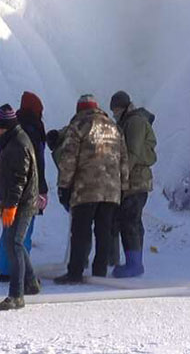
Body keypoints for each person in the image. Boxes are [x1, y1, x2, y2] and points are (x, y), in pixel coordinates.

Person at [53, 93, 129, 284]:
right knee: (104, 232)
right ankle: (99, 273)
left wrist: (64, 186)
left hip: (85, 189)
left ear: (80, 109)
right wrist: (123, 188)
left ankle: (75, 272)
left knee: (81, 232)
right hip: (111, 192)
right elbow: (124, 160)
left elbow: (68, 160)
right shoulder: (114, 128)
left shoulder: (79, 126)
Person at [0, 104, 41, 310]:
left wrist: (10, 205)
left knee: (15, 244)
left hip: (23, 203)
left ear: (6, 127)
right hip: (17, 201)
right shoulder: (10, 141)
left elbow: (19, 179)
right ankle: (31, 282)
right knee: (14, 243)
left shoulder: (18, 144)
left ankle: (16, 295)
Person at [0, 92, 47, 282]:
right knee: (23, 233)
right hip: (27, 191)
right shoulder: (32, 131)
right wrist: (41, 189)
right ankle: (20, 272)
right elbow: (36, 164)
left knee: (9, 230)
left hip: (9, 189)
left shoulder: (13, 129)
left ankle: (4, 267)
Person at [109, 90, 157, 278]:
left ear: (124, 107)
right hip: (135, 180)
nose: (115, 113)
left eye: (116, 109)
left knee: (130, 220)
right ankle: (134, 261)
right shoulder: (129, 120)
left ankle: (134, 264)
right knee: (131, 220)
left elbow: (133, 153)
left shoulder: (134, 122)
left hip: (135, 181)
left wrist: (120, 177)